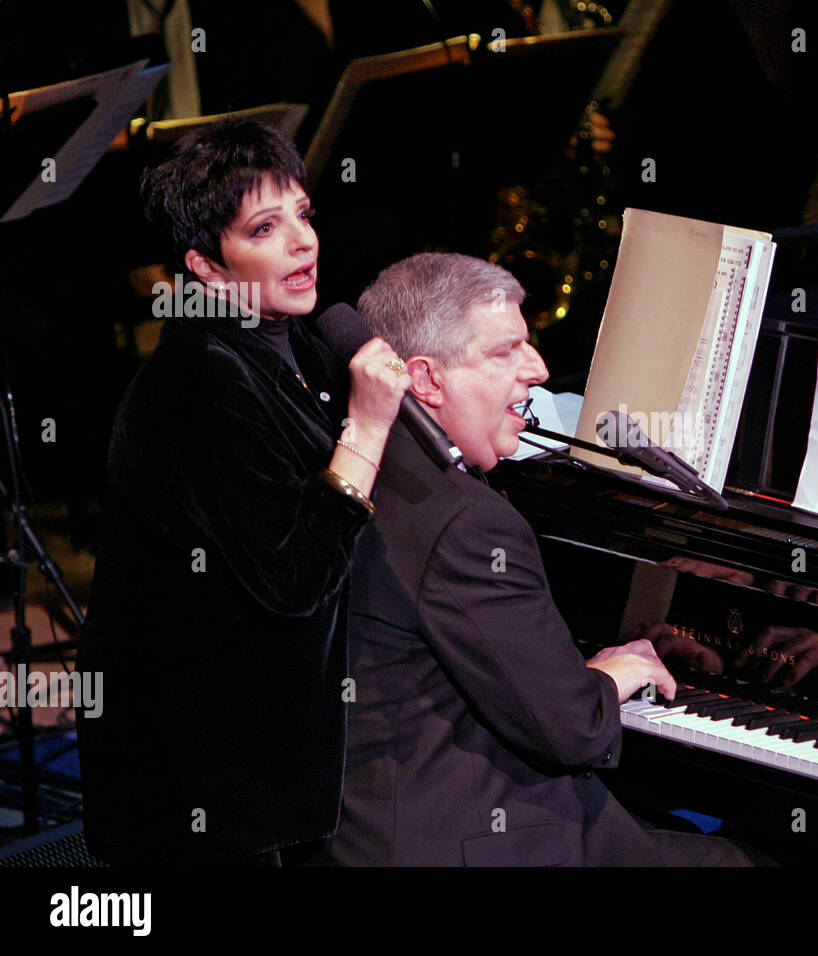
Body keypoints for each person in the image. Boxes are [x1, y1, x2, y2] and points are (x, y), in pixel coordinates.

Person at [331, 252, 753, 865]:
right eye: (505, 352)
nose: (539, 368)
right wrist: (613, 672)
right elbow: (572, 732)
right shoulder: (468, 521)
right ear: (425, 379)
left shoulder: (364, 472)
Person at [76, 119, 410, 865]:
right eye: (266, 226)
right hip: (198, 782)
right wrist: (366, 424)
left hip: (262, 755)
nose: (303, 242)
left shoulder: (290, 344)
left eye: (302, 214)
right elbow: (294, 580)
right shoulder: (198, 381)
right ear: (209, 268)